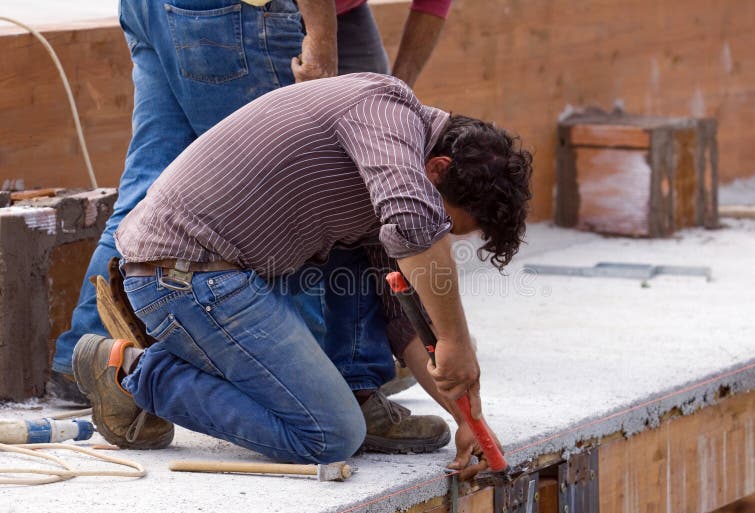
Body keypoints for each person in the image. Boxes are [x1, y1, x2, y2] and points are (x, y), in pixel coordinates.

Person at [72, 73, 532, 472]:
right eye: (447, 223)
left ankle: (356, 396)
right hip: (182, 277)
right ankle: (134, 373)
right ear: (438, 168)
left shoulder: (393, 163)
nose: (439, 237)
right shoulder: (384, 113)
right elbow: (415, 224)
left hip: (225, 274)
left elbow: (401, 311)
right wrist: (457, 342)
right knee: (328, 436)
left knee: (374, 262)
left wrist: (469, 421)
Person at [49, 0, 454, 448]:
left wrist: (394, 102)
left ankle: (79, 362)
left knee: (151, 189)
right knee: (301, 187)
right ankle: (342, 390)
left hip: (162, 9)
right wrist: (320, 40)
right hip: (239, 12)